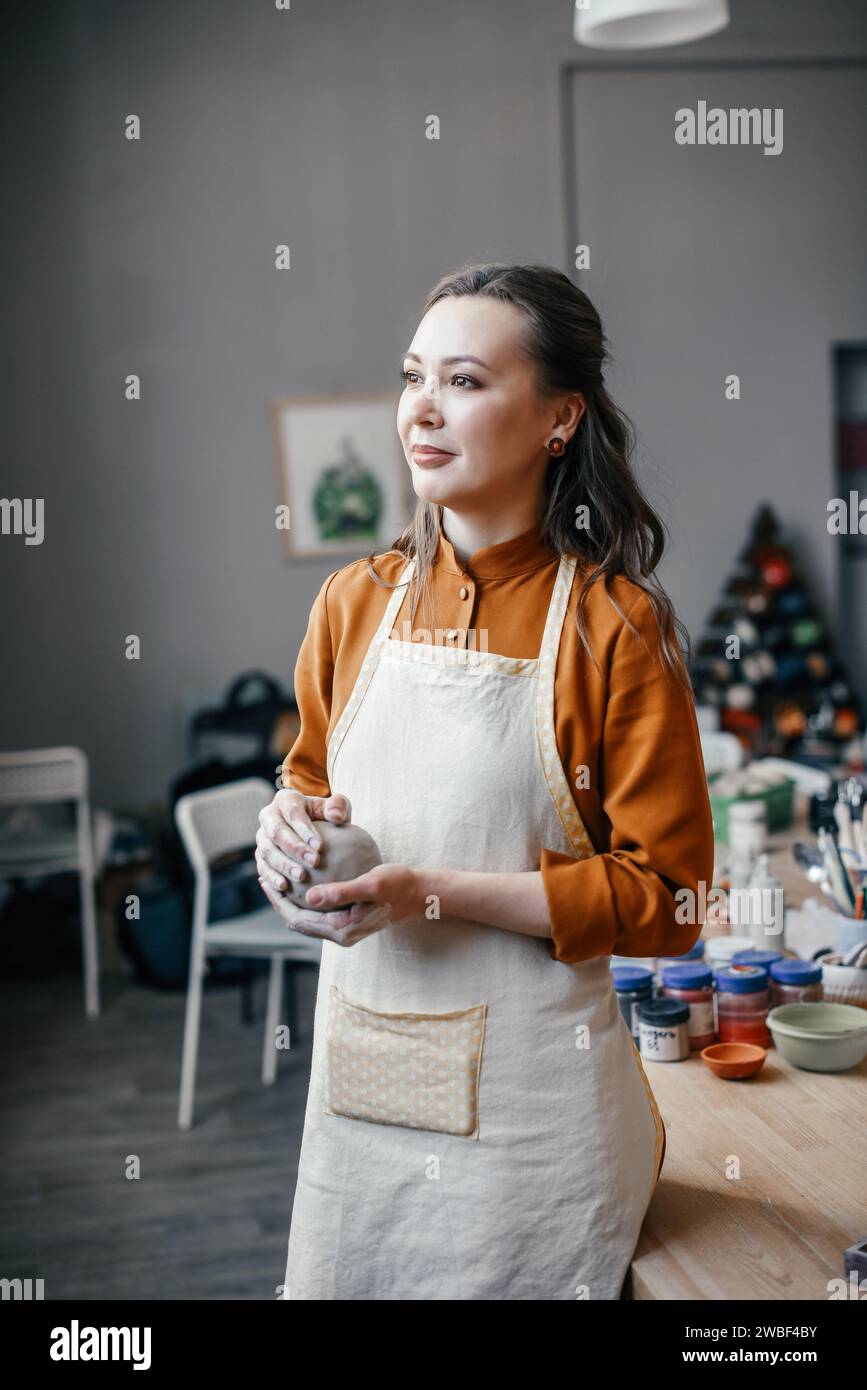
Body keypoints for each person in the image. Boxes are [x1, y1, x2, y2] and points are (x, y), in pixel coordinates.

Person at [256, 262, 715, 1300]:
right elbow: (306, 782)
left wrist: (435, 890)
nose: (421, 406)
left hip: (534, 1139)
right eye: (413, 375)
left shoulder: (614, 628)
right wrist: (279, 838)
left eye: (464, 380)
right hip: (362, 1116)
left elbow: (672, 899)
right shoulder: (351, 604)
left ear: (560, 418)